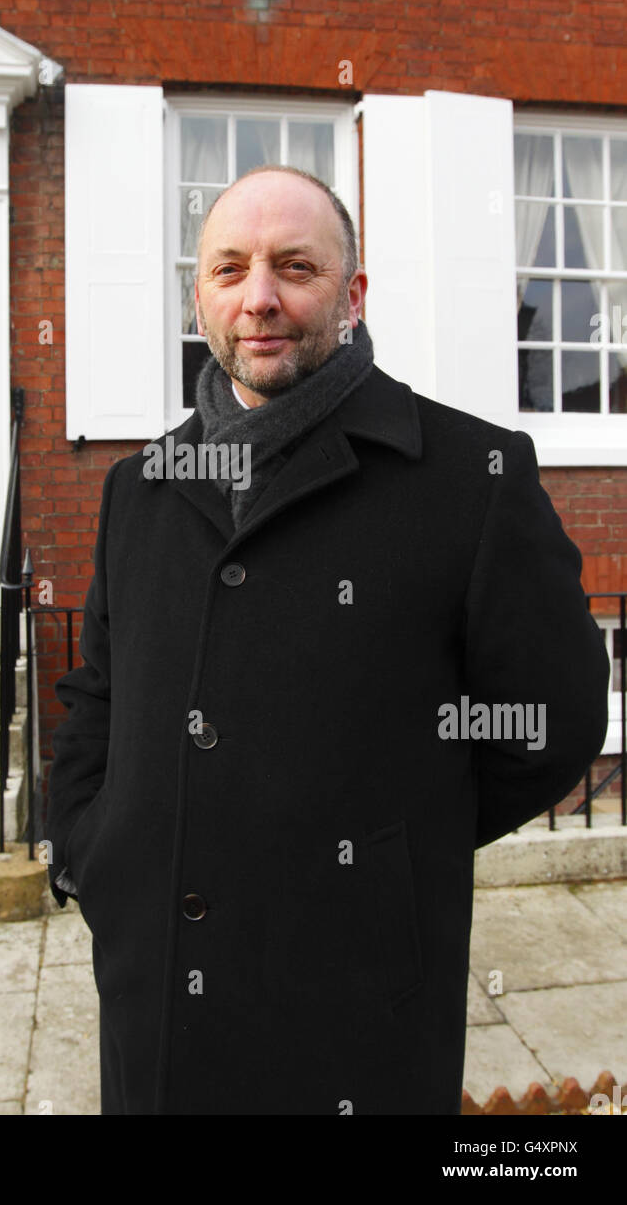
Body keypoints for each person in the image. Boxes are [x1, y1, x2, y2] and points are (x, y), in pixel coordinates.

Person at [44, 165, 610, 1115]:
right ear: (201, 295)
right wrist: (88, 849)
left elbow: (550, 720)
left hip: (352, 1008)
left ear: (351, 295)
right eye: (230, 268)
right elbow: (98, 695)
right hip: (156, 996)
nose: (259, 296)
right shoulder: (137, 488)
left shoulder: (471, 478)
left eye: (294, 267)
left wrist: (391, 848)